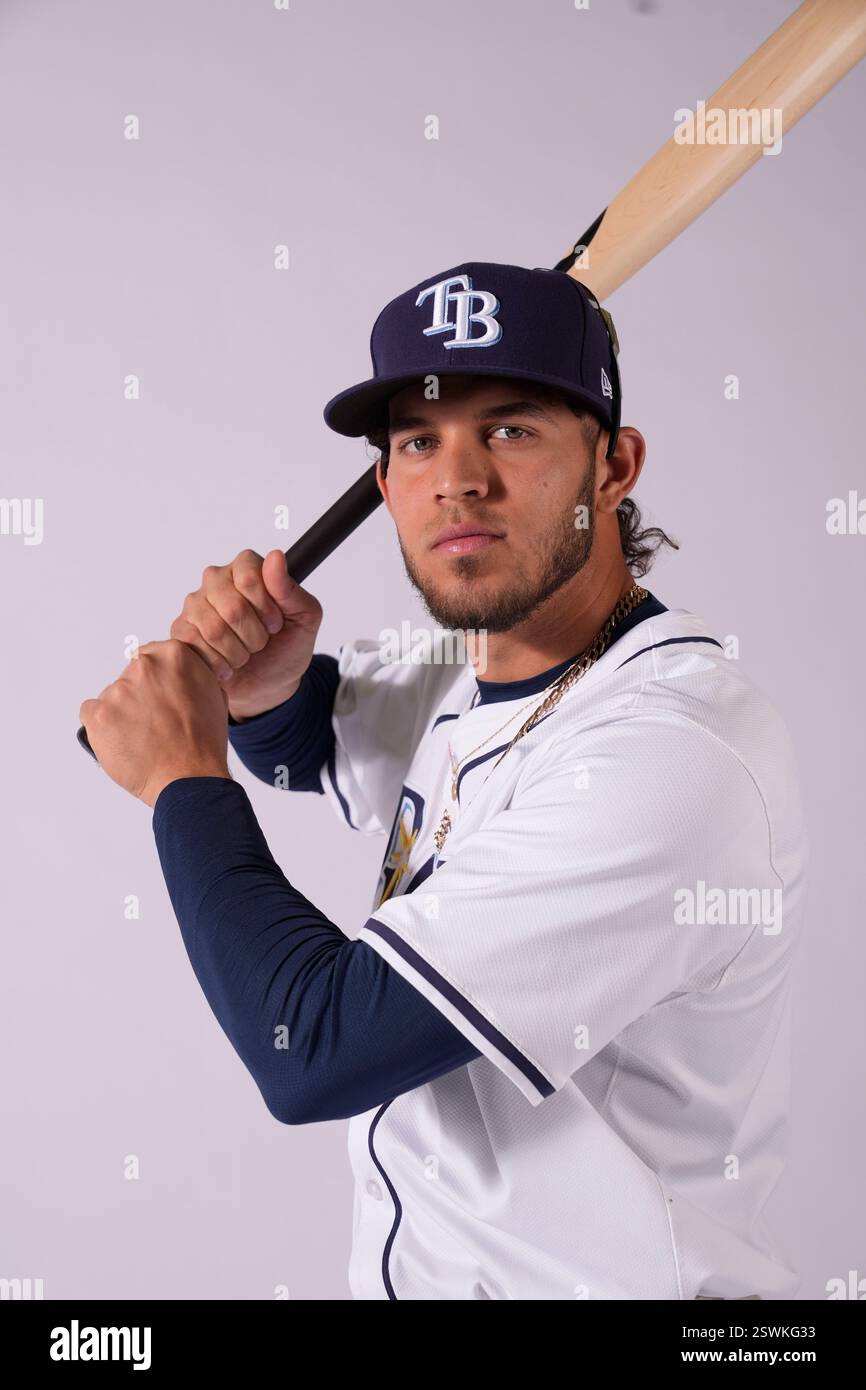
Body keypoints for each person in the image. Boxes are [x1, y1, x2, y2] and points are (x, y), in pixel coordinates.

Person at [79, 262, 807, 1300]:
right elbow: (326, 742)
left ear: (613, 466)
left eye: (508, 429)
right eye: (419, 440)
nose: (456, 477)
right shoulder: (469, 669)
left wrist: (184, 784)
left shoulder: (671, 752)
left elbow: (313, 1048)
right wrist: (262, 697)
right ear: (384, 487)